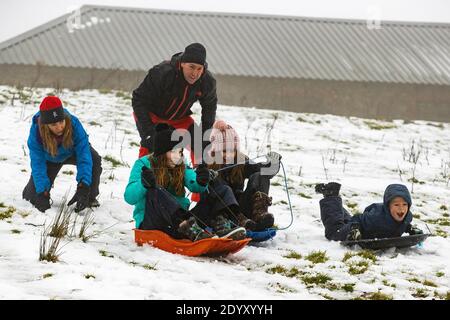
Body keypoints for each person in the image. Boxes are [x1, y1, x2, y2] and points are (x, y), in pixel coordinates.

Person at [124, 123, 246, 241]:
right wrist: (143, 184)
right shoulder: (143, 164)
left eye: (181, 151)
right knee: (155, 190)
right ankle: (189, 228)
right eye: (174, 151)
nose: (179, 156)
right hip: (152, 221)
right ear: (162, 152)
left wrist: (201, 181)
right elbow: (129, 197)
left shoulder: (181, 165)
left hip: (183, 224)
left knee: (222, 190)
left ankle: (221, 225)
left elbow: (194, 185)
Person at [132, 42, 217, 164]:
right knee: (152, 144)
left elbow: (209, 109)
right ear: (182, 63)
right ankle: (141, 176)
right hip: (152, 115)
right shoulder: (162, 72)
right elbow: (138, 99)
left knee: (200, 146)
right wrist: (148, 132)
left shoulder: (207, 82)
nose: (195, 73)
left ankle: (198, 178)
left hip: (180, 119)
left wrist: (205, 136)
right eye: (191, 67)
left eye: (199, 68)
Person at [22, 96, 102, 213]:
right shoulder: (36, 133)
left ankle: (89, 197)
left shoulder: (74, 124)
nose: (59, 127)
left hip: (72, 153)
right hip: (50, 159)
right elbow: (37, 163)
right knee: (31, 197)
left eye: (61, 121)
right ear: (46, 125)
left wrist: (83, 186)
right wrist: (42, 192)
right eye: (54, 125)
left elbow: (84, 155)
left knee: (94, 158)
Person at [203, 120, 282, 231]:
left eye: (232, 150)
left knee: (259, 176)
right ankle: (237, 220)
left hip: (242, 205)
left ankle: (260, 214)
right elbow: (200, 187)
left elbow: (262, 170)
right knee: (220, 185)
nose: (229, 155)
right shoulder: (208, 163)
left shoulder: (241, 160)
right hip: (221, 211)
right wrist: (205, 176)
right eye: (224, 151)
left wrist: (273, 164)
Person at [315, 182, 423, 241]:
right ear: (388, 206)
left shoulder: (407, 217)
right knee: (334, 232)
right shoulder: (376, 218)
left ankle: (336, 205)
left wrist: (411, 229)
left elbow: (403, 225)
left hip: (359, 227)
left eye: (405, 205)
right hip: (355, 228)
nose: (401, 209)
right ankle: (330, 195)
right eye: (396, 205)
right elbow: (358, 219)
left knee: (344, 220)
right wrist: (354, 229)